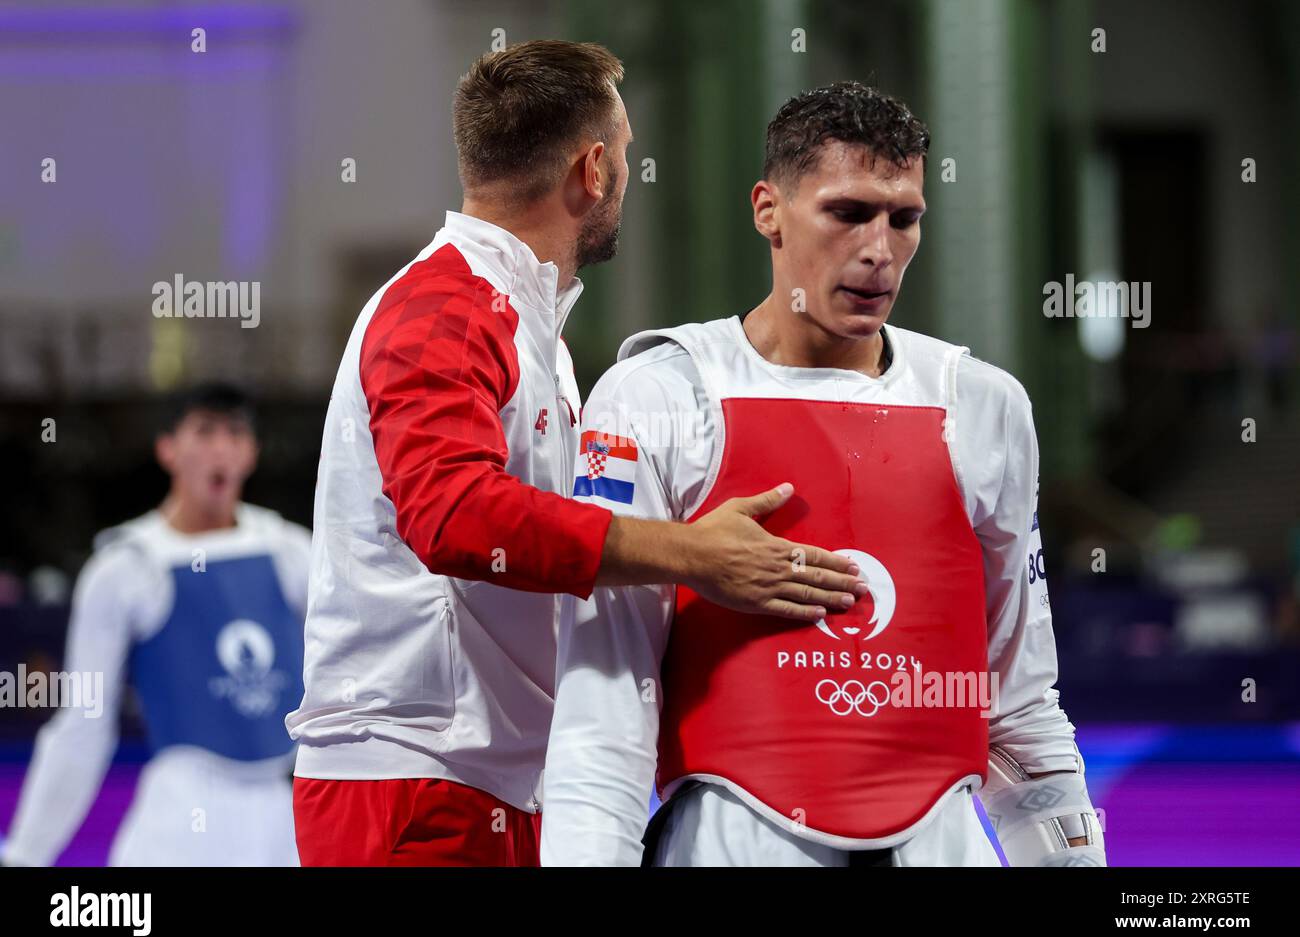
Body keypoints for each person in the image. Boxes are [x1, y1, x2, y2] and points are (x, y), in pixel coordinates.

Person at [286, 41, 863, 867]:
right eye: (627, 155)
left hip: (495, 777)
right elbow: (451, 515)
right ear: (593, 168)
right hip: (415, 784)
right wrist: (689, 553)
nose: (628, 175)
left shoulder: (529, 326)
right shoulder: (442, 307)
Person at [541, 82, 1107, 867]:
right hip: (732, 841)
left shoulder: (983, 406)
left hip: (942, 842)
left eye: (903, 218)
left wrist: (1074, 859)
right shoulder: (660, 393)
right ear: (768, 209)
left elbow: (1017, 694)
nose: (879, 249)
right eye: (847, 213)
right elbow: (604, 702)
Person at [0, 383, 308, 867]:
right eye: (204, 432)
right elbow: (83, 725)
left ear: (252, 452)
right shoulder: (126, 569)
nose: (221, 447)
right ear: (167, 448)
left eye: (235, 433)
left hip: (283, 808)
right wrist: (25, 854)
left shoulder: (292, 553)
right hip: (183, 811)